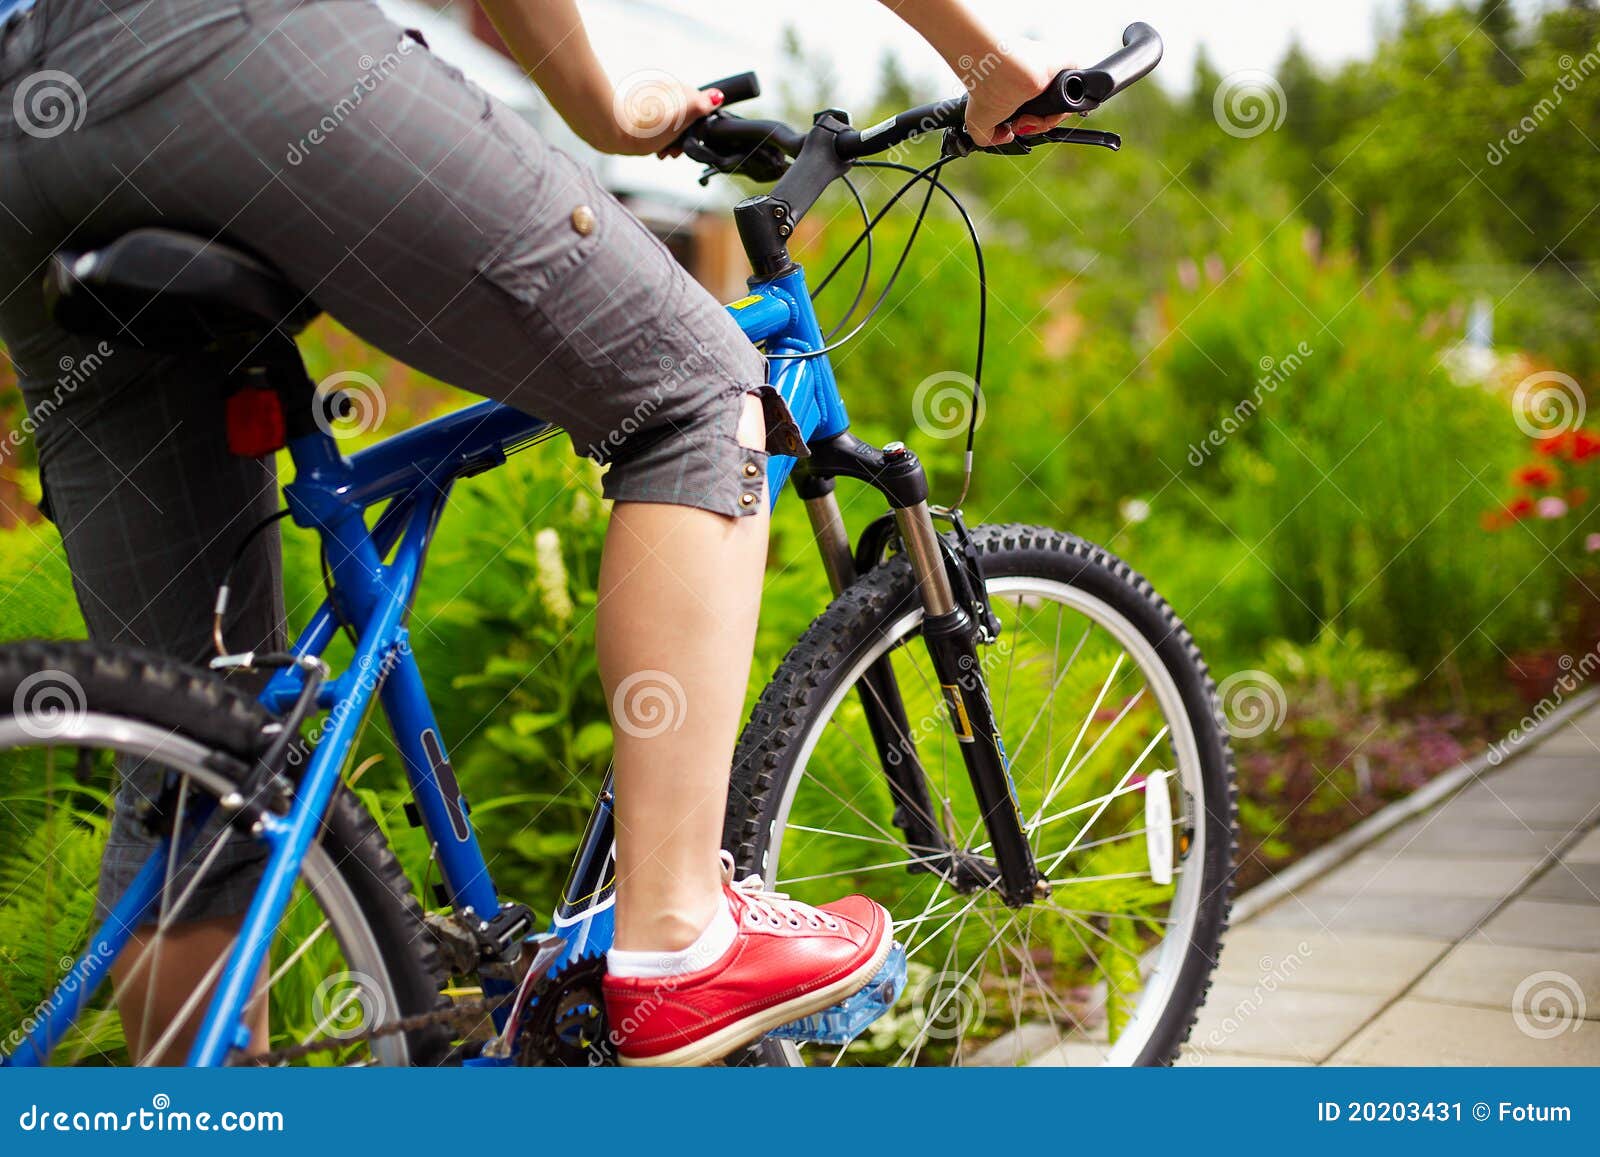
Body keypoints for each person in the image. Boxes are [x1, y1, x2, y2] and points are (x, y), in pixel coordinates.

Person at [0, 0, 1067, 1065]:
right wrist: (986, 60)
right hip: (219, 42)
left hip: (18, 140)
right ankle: (681, 937)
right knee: (699, 389)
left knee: (202, 761)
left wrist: (603, 100)